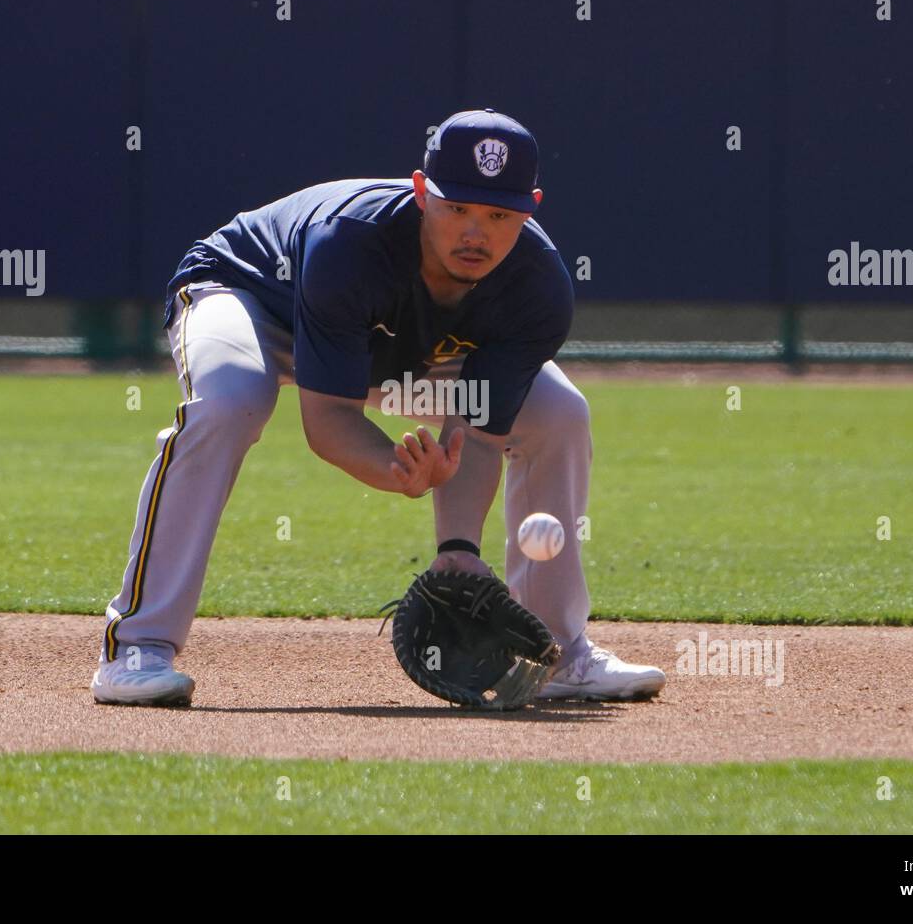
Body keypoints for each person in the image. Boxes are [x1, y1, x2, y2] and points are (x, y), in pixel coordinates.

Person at [91, 109, 667, 706]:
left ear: (531, 208)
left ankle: (560, 655)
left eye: (498, 215)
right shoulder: (351, 242)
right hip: (253, 298)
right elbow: (329, 422)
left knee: (558, 414)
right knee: (230, 399)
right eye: (457, 208)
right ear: (421, 193)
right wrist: (395, 471)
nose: (476, 233)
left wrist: (457, 553)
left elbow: (478, 429)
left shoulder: (536, 287)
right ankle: (138, 646)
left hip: (396, 350)